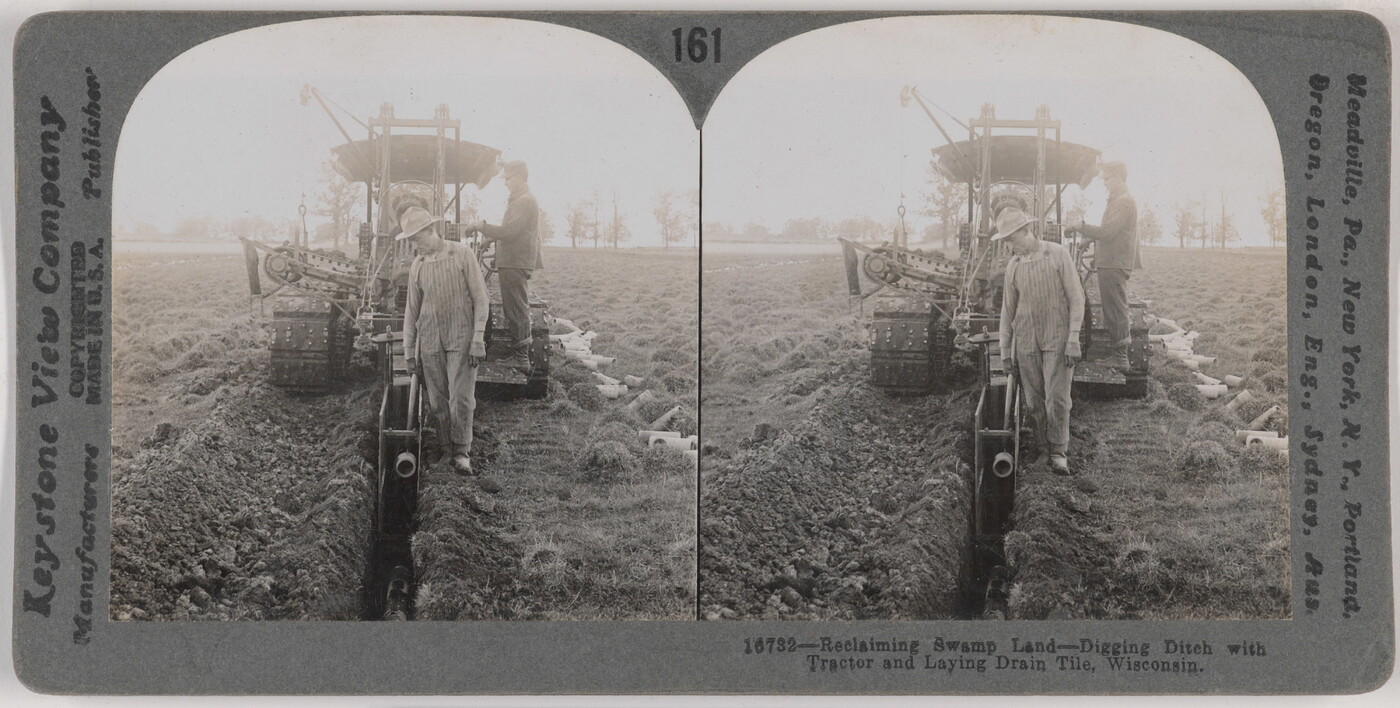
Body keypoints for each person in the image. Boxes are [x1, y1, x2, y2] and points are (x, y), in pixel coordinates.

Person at [995, 206, 1086, 475]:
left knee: (1056, 397)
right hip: (1025, 340)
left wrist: (1073, 338)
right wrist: (1004, 349)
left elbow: (1076, 298)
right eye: (1006, 242)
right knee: (1034, 401)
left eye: (1012, 239)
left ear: (1027, 230)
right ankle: (1041, 449)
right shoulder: (1013, 266)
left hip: (1056, 337)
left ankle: (1058, 450)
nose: (1010, 247)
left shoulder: (1057, 254)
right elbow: (1007, 310)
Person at [399, 206, 491, 474]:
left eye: (418, 239)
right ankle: (444, 450)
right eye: (411, 241)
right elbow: (410, 311)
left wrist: (477, 339)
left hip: (460, 337)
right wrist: (408, 351)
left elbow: (481, 299)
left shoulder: (462, 254)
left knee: (460, 397)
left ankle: (462, 451)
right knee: (438, 401)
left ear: (431, 230)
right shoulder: (418, 265)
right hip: (429, 340)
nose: (416, 246)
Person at [1068, 161, 1140, 372]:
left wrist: (1081, 228)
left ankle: (1120, 358)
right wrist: (1089, 241)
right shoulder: (1118, 200)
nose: (1105, 184)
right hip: (1110, 261)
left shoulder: (1123, 202)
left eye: (1107, 179)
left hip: (1113, 263)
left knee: (1115, 309)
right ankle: (1118, 355)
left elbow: (1108, 232)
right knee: (1112, 308)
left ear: (1118, 177)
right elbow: (1111, 231)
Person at [472, 160, 543, 370]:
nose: (506, 183)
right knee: (514, 308)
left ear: (520, 177)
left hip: (515, 262)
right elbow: (511, 230)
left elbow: (509, 232)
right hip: (511, 261)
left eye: (509, 179)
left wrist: (481, 227)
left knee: (517, 309)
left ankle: (521, 358)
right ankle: (518, 354)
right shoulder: (519, 199)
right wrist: (491, 240)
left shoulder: (525, 201)